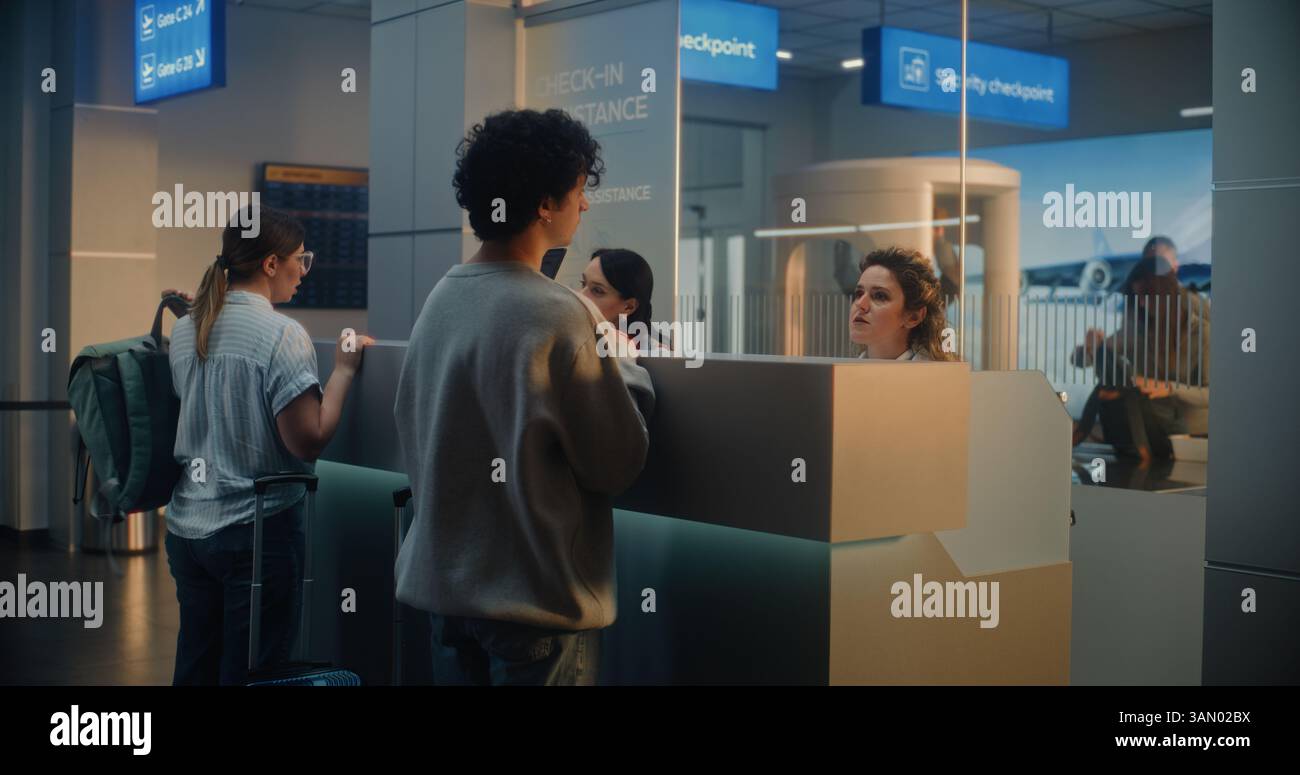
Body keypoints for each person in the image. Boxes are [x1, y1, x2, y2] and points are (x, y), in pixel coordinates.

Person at [393, 109, 654, 686]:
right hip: (535, 608)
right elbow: (616, 462)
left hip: (448, 600)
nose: (584, 205)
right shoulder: (558, 313)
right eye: (579, 189)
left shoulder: (441, 298)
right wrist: (622, 362)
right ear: (543, 203)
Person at [163, 204, 374, 685]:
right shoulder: (282, 334)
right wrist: (343, 370)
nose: (304, 269)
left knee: (196, 664)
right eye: (301, 258)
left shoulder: (186, 327)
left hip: (188, 529)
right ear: (271, 263)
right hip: (255, 533)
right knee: (253, 672)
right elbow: (308, 441)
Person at [1071, 253, 1210, 448]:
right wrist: (1090, 348)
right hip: (1150, 432)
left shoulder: (1203, 335)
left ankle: (1078, 435)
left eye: (1147, 295)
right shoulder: (1138, 333)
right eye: (1139, 297)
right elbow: (1080, 361)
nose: (1142, 304)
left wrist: (1169, 388)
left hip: (1195, 439)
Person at [849, 246, 954, 361]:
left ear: (913, 317)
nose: (860, 304)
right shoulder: (843, 372)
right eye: (859, 293)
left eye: (880, 296)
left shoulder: (935, 376)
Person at [578, 247, 667, 354]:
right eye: (583, 283)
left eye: (597, 290)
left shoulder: (658, 356)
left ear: (629, 306)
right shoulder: (570, 341)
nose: (581, 295)